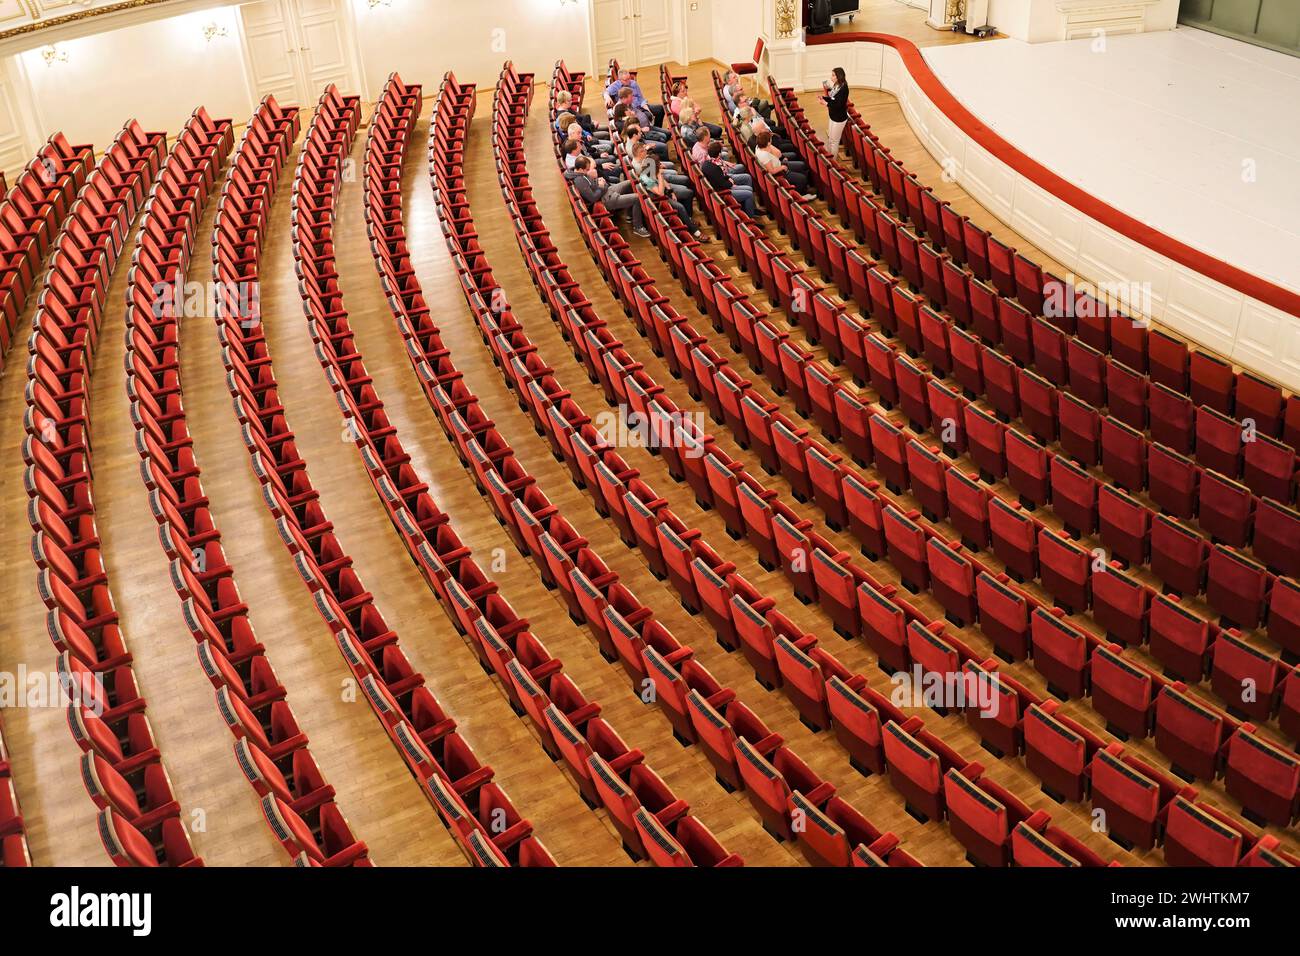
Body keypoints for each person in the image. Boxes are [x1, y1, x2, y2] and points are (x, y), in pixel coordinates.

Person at [566, 155, 649, 237]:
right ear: (580, 169)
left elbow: (591, 185)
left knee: (629, 183)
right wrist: (601, 187)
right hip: (606, 200)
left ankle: (630, 215)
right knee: (637, 198)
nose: (588, 171)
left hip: (607, 191)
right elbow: (593, 198)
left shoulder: (578, 173)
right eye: (587, 169)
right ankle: (638, 227)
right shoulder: (580, 181)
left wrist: (597, 181)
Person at [633, 142, 700, 237]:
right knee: (680, 207)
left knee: (688, 192)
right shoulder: (646, 178)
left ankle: (687, 219)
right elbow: (660, 193)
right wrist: (659, 175)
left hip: (664, 192)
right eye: (659, 165)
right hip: (658, 199)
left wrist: (671, 191)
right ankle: (694, 231)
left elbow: (664, 183)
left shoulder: (650, 169)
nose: (661, 166)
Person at [702, 141, 757, 216]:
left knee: (749, 189)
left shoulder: (706, 163)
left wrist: (728, 178)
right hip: (722, 192)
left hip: (719, 186)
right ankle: (750, 216)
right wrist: (731, 182)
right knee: (749, 193)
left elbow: (720, 177)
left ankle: (747, 209)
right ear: (719, 154)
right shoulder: (715, 168)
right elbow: (724, 184)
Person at [754, 129, 814, 198]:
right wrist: (782, 167)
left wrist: (769, 146)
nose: (771, 140)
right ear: (768, 143)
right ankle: (800, 196)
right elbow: (771, 171)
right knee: (802, 178)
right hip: (779, 173)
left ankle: (806, 188)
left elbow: (779, 154)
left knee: (802, 165)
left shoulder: (758, 147)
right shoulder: (764, 155)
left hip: (779, 164)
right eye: (770, 140)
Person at [819, 67, 850, 157]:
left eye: (833, 75)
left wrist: (825, 103)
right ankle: (830, 157)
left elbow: (838, 104)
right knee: (830, 140)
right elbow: (832, 98)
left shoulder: (844, 88)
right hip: (833, 115)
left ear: (838, 76)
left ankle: (833, 162)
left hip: (839, 118)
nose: (831, 77)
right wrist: (824, 98)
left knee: (834, 141)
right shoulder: (837, 85)